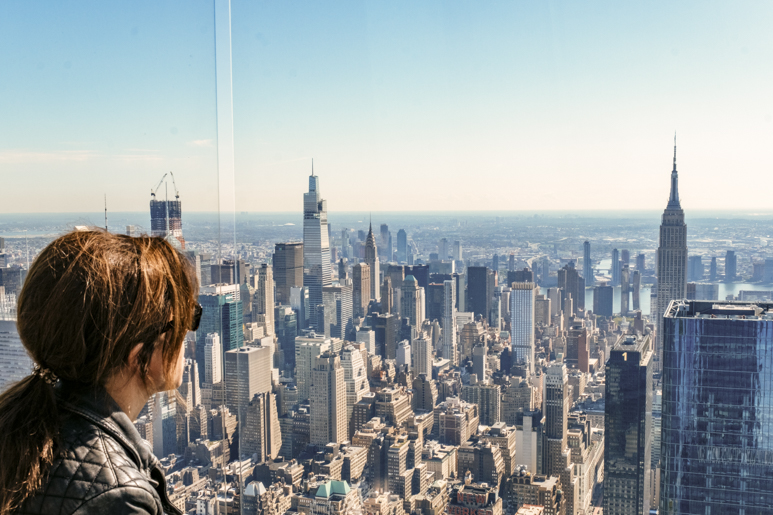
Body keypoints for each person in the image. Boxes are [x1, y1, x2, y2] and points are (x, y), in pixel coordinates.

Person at [0, 230, 200, 515]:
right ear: (138, 352)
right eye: (185, 319)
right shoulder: (120, 499)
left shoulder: (25, 424)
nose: (189, 334)